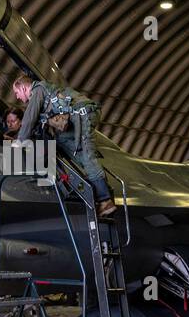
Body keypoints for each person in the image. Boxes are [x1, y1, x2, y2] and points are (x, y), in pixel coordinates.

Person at [12, 76, 115, 217]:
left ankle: (106, 199)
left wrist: (19, 142)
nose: (17, 97)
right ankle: (99, 191)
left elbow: (30, 118)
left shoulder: (38, 90)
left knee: (87, 154)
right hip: (76, 119)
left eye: (17, 92)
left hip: (83, 115)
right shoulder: (43, 94)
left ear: (23, 88)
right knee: (63, 141)